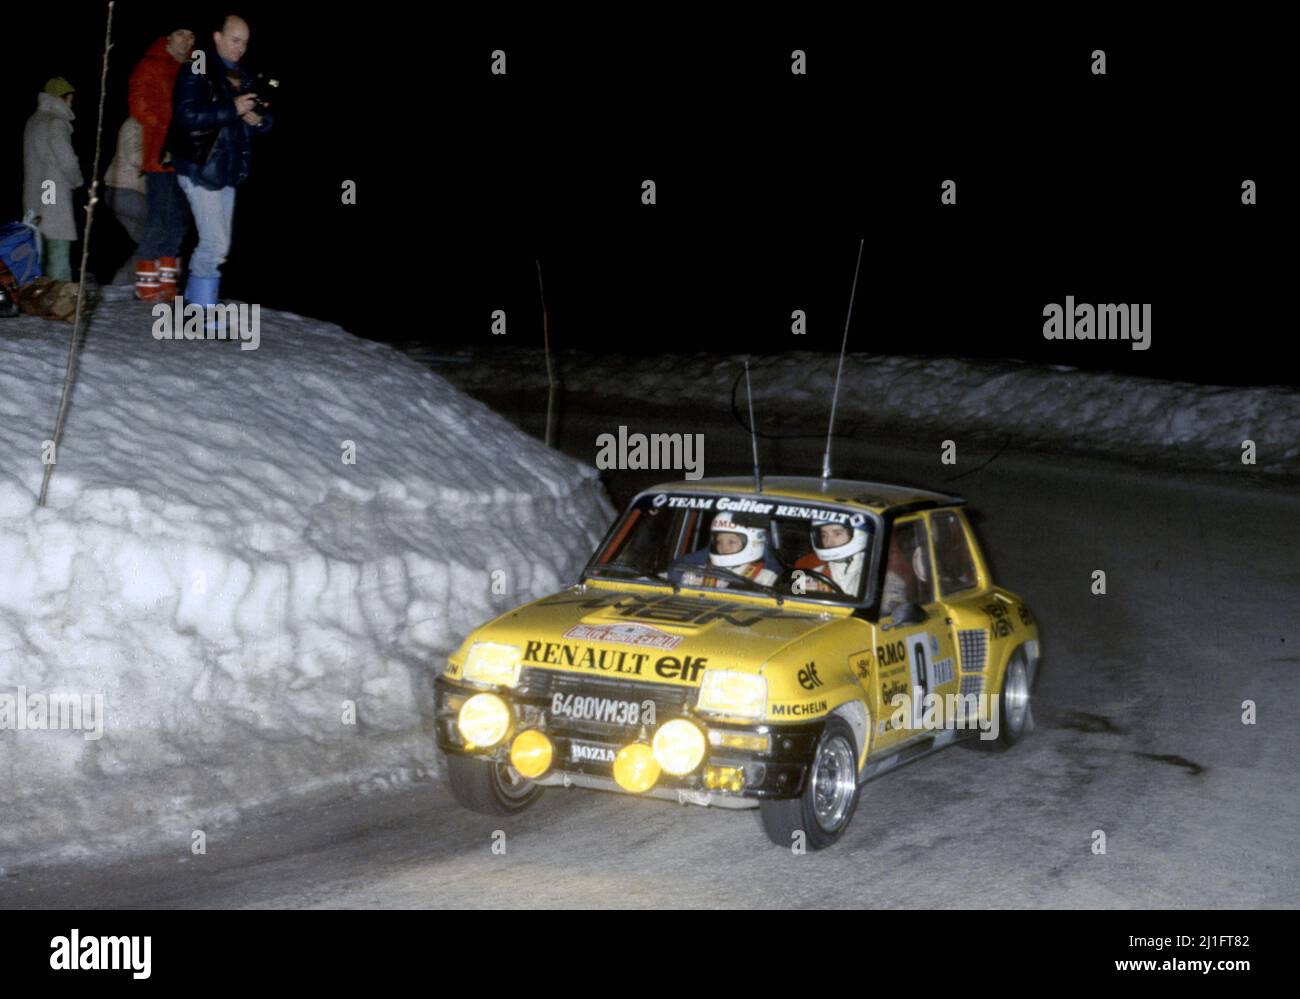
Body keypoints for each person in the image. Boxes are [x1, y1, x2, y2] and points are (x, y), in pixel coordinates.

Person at [165, 14, 272, 309]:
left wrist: (259, 120)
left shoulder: (244, 74)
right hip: (200, 166)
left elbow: (266, 118)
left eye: (245, 43)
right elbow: (186, 115)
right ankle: (199, 311)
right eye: (235, 40)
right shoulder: (198, 64)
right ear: (217, 37)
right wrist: (231, 108)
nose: (240, 48)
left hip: (228, 170)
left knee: (219, 246)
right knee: (214, 243)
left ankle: (194, 303)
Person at [128, 25, 195, 301]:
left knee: (179, 218)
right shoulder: (151, 64)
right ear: (168, 37)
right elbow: (139, 105)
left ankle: (167, 279)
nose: (186, 40)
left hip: (190, 157)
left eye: (191, 35)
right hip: (162, 154)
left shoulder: (194, 67)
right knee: (160, 216)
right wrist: (169, 131)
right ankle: (146, 279)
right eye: (180, 33)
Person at [22, 78, 84, 282]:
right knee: (58, 247)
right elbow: (66, 159)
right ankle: (59, 298)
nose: (71, 103)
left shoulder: (33, 120)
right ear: (61, 99)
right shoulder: (56, 123)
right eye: (70, 99)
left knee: (39, 249)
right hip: (53, 193)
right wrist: (78, 181)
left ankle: (37, 295)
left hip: (34, 194)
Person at [672, 513, 779, 589]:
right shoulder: (695, 573)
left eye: (731, 542)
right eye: (719, 542)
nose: (724, 547)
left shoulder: (767, 578)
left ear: (753, 542)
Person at [104, 117, 148, 286]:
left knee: (145, 240)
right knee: (158, 231)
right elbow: (136, 157)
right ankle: (126, 281)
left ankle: (121, 283)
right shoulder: (134, 123)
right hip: (124, 190)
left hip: (123, 191)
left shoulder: (140, 123)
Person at [793, 520, 870, 598]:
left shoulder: (874, 565)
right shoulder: (805, 563)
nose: (829, 542)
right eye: (823, 535)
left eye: (837, 534)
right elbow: (793, 602)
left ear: (858, 533)